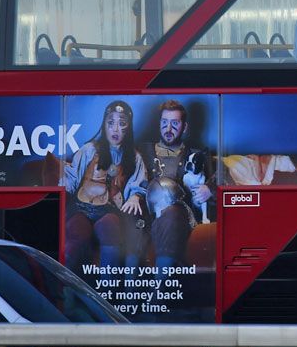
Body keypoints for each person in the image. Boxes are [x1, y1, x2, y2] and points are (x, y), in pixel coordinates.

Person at [63, 100, 147, 275]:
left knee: (111, 228)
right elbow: (70, 178)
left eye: (122, 123)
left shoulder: (134, 157)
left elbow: (139, 184)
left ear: (128, 127)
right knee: (76, 232)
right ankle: (66, 294)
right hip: (81, 207)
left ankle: (108, 289)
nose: (115, 129)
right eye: (111, 123)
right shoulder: (88, 150)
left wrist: (135, 196)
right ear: (104, 125)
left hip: (109, 209)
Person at [140, 100, 215, 271]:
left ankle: (161, 289)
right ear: (159, 123)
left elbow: (224, 176)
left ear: (184, 127)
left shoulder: (196, 155)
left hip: (179, 216)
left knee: (172, 213)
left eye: (175, 123)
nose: (168, 128)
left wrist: (209, 189)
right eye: (164, 122)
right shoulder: (143, 151)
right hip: (146, 215)